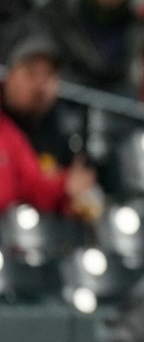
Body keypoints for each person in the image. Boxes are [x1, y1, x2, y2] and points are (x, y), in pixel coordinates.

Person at [0, 35, 102, 218]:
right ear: (8, 76)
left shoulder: (64, 134)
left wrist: (66, 188)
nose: (40, 85)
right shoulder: (6, 127)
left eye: (48, 75)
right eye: (31, 73)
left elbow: (32, 184)